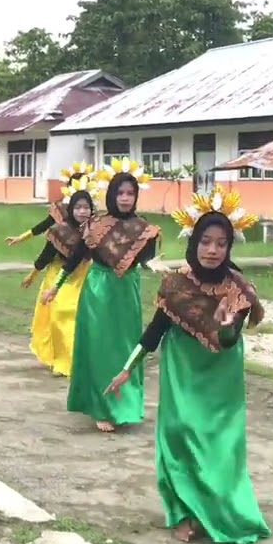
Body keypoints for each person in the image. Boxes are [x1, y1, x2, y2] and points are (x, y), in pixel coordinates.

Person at [105, 185, 270, 544]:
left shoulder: (238, 289)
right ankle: (183, 511)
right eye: (206, 241)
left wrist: (227, 325)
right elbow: (155, 330)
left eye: (221, 243)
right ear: (194, 242)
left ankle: (222, 509)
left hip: (220, 379)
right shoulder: (176, 284)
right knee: (179, 435)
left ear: (229, 247)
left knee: (218, 446)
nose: (212, 250)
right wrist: (126, 369)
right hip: (181, 372)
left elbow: (228, 341)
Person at [44, 158, 160, 433]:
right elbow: (76, 258)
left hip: (126, 293)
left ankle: (126, 406)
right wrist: (56, 286)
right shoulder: (95, 225)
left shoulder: (145, 230)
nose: (125, 198)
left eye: (130, 193)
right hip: (97, 292)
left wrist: (158, 266)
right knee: (98, 350)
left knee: (124, 348)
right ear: (112, 194)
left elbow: (147, 261)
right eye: (120, 192)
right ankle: (101, 407)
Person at [21, 175, 101, 377]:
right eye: (78, 207)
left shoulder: (97, 230)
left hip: (86, 276)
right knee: (59, 314)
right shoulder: (60, 230)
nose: (83, 212)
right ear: (71, 208)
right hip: (61, 277)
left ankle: (82, 359)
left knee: (83, 319)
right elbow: (46, 255)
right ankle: (64, 359)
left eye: (86, 207)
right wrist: (33, 274)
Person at [4, 162, 97, 246]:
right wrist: (21, 237)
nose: (82, 211)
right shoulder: (60, 209)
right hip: (61, 256)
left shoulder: (92, 212)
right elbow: (45, 225)